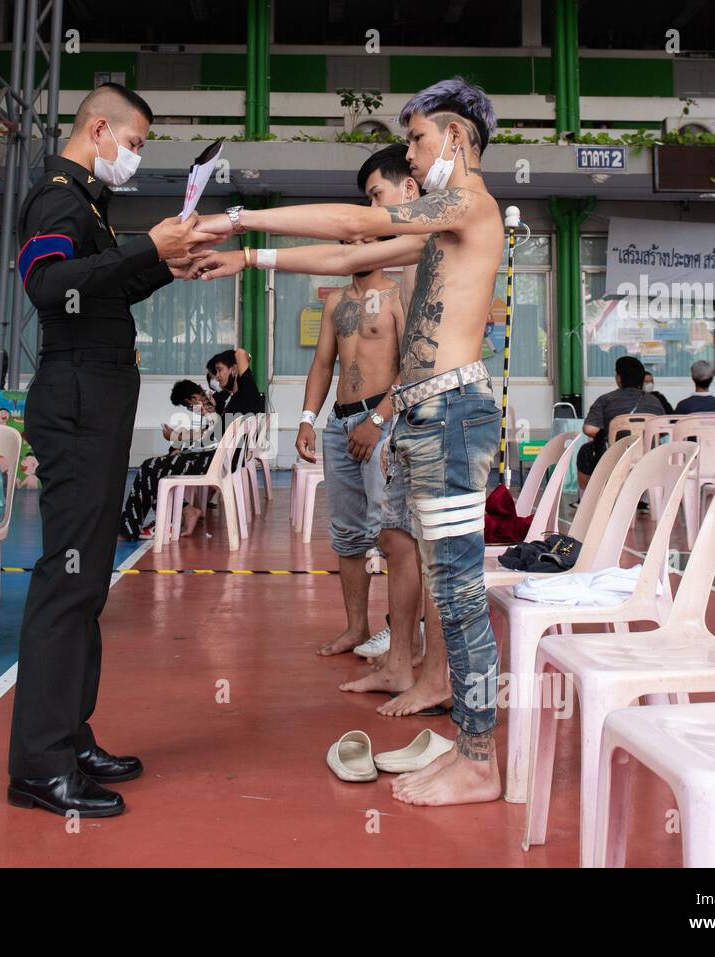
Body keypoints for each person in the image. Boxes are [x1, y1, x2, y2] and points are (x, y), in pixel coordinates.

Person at [194, 77, 507, 805]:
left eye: (419, 139)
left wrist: (239, 219)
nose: (411, 153)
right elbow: (344, 256)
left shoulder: (471, 202)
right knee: (448, 585)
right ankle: (467, 740)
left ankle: (482, 756)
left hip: (455, 412)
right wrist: (251, 260)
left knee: (459, 593)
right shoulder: (436, 228)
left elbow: (344, 225)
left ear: (455, 139)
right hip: (431, 415)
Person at [7, 82, 212, 819]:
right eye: (136, 142)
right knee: (67, 579)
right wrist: (143, 248)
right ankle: (39, 763)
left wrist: (163, 262)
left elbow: (101, 293)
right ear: (100, 129)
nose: (137, 157)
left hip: (97, 396)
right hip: (77, 398)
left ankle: (69, 733)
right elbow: (46, 284)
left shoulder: (88, 202)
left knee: (88, 578)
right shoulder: (57, 197)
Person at [299, 145, 449, 719]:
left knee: (396, 538)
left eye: (365, 230)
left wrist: (379, 419)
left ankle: (402, 654)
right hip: (340, 423)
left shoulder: (401, 290)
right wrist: (311, 420)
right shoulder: (337, 302)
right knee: (347, 535)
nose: (354, 244)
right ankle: (357, 627)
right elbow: (321, 367)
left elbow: (416, 363)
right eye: (349, 239)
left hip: (381, 423)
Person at [119, 379, 219, 540]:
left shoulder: (212, 407)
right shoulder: (213, 405)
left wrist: (175, 437)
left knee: (150, 468)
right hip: (212, 457)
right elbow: (206, 434)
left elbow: (210, 437)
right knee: (158, 465)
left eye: (187, 407)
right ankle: (184, 511)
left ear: (192, 399)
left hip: (210, 460)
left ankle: (129, 529)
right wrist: (178, 444)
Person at [576, 355, 664, 491]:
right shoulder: (654, 401)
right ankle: (646, 499)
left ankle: (589, 499)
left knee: (586, 451)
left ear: (618, 378)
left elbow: (589, 430)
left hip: (615, 457)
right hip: (649, 456)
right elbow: (662, 431)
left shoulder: (606, 400)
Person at [206, 347, 266, 416]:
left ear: (233, 369)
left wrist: (248, 358)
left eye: (219, 370)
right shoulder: (232, 398)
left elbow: (240, 353)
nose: (217, 376)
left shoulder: (246, 393)